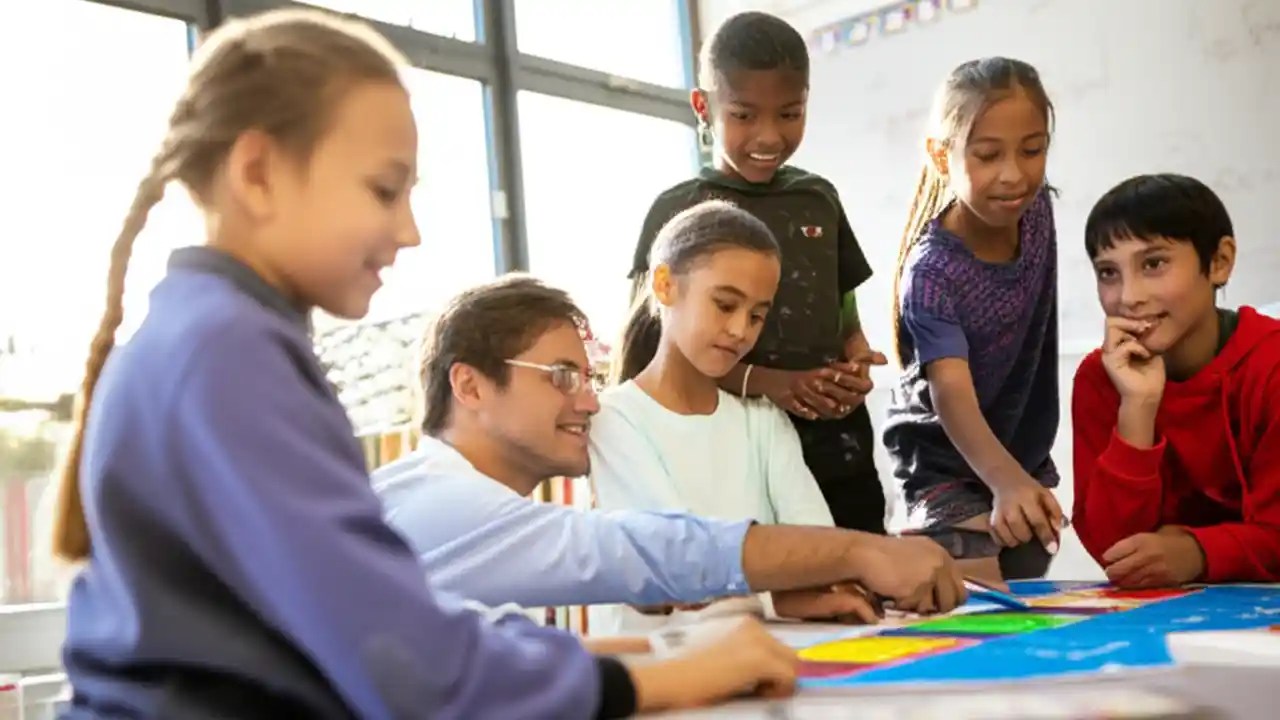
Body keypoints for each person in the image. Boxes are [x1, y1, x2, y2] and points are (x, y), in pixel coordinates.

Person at [49, 10, 824, 719]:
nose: (411, 231)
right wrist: (672, 676)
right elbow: (404, 665)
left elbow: (378, 635)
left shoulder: (209, 337)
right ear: (258, 174)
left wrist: (645, 654)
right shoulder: (226, 359)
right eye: (384, 191)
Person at [374, 273, 967, 622]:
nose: (588, 402)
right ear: (469, 384)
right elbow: (642, 552)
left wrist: (779, 602)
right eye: (560, 376)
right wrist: (862, 552)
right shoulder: (435, 503)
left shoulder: (473, 513)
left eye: (588, 378)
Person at [626, 11, 888, 534]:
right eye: (744, 116)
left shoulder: (819, 199)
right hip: (730, 458)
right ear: (704, 106)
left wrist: (856, 355)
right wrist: (768, 383)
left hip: (838, 449)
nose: (769, 136)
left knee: (862, 582)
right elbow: (650, 350)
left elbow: (844, 312)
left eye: (789, 114)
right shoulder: (680, 211)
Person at [590, 200, 835, 635]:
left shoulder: (762, 422)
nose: (741, 330)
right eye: (725, 305)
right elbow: (682, 566)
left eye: (757, 315)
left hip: (766, 660)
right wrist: (790, 594)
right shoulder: (613, 420)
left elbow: (823, 551)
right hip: (660, 673)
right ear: (665, 284)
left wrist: (811, 587)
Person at [881, 57, 1065, 584]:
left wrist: (1016, 474)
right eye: (987, 155)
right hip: (945, 467)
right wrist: (1002, 480)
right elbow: (950, 396)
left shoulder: (1036, 212)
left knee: (1031, 605)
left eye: (1033, 150)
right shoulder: (933, 270)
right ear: (941, 156)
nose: (1014, 174)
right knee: (980, 627)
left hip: (1018, 454)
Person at [1073, 173, 1280, 586]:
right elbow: (1116, 552)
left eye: (1154, 264)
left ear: (1219, 262)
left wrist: (1197, 552)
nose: (1129, 296)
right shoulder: (1101, 378)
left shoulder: (1270, 366)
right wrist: (1138, 407)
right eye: (1108, 273)